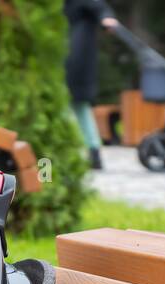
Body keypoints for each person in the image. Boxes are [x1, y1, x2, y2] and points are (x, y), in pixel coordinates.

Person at [64, 0, 118, 171]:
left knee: (73, 107)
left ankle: (85, 153)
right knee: (79, 108)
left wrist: (106, 17)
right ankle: (92, 153)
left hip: (76, 62)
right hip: (68, 60)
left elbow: (98, 6)